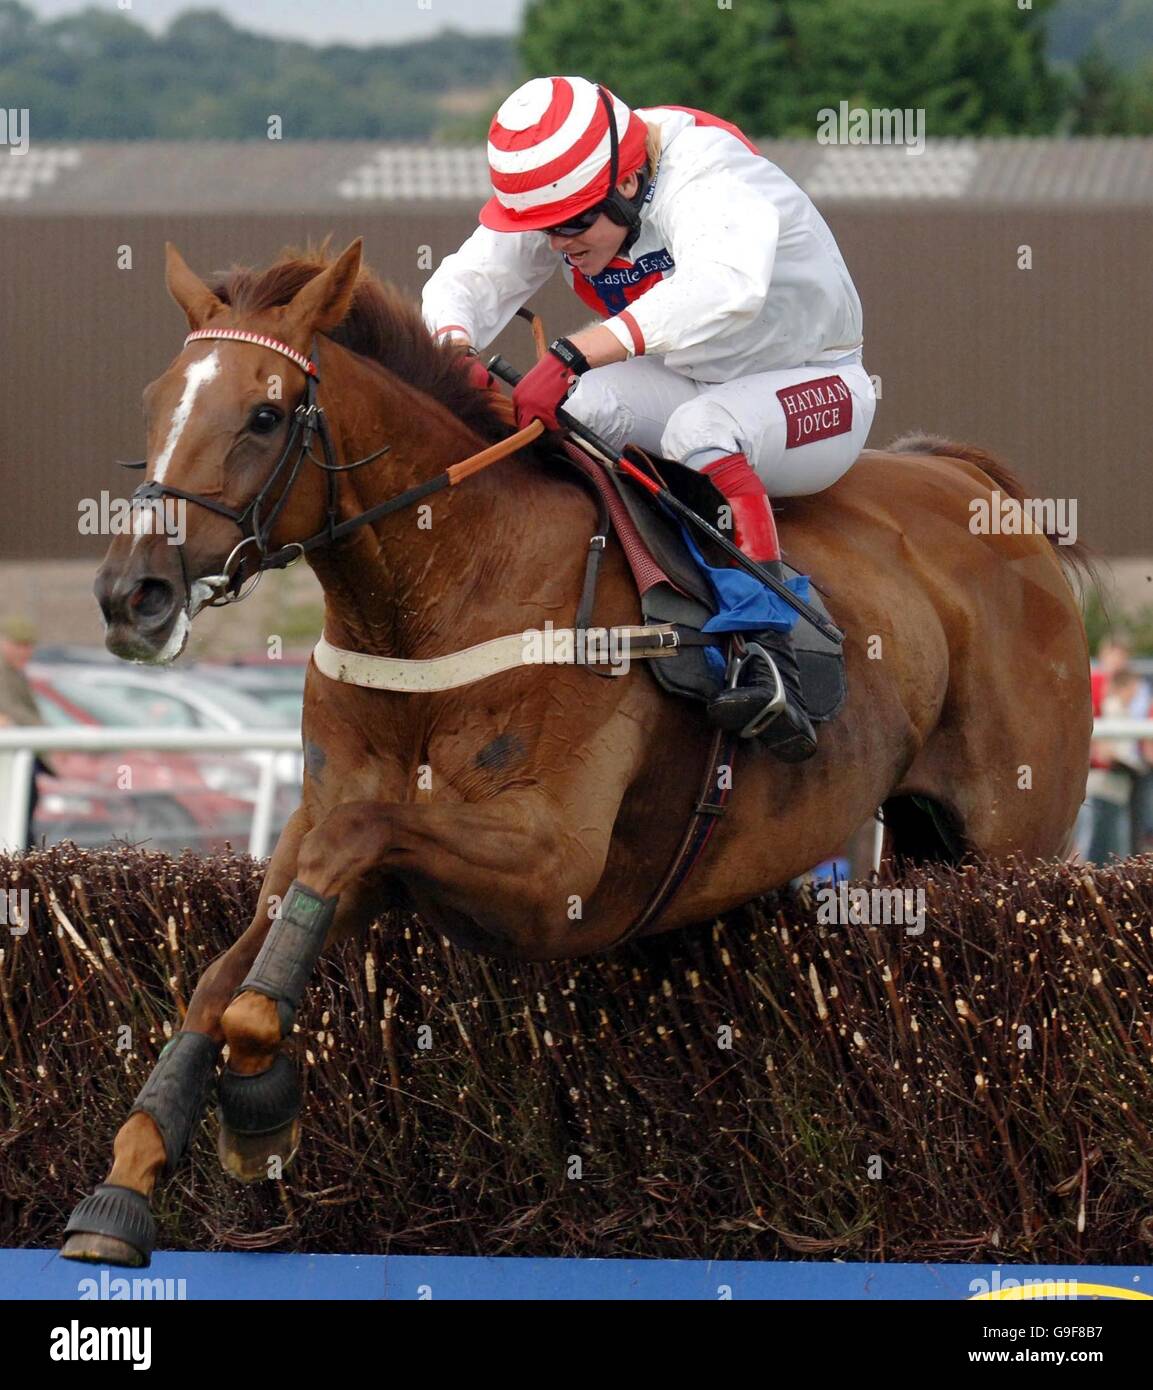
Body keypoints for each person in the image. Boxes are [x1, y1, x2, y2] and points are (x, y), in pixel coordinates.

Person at [422, 75, 875, 761]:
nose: (558, 243)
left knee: (701, 429)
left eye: (573, 225)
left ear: (629, 183)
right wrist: (453, 349)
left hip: (816, 383)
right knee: (571, 414)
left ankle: (774, 644)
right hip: (691, 375)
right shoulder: (579, 189)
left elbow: (727, 288)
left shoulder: (707, 171)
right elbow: (467, 281)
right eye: (545, 228)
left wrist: (574, 353)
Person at [0, 615, 49, 847]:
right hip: (8, 766)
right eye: (19, 645)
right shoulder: (3, 671)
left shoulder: (14, 672)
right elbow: (14, 713)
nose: (25, 652)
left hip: (19, 763)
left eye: (28, 646)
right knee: (16, 837)